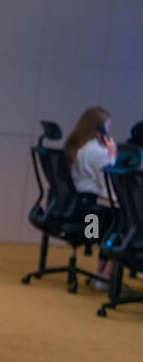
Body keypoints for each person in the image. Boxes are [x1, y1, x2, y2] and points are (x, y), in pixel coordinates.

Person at [64, 106, 117, 288]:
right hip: (90, 219)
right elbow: (107, 182)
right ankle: (105, 277)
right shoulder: (96, 151)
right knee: (119, 225)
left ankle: (100, 275)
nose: (109, 132)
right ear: (99, 129)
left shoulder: (78, 146)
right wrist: (111, 154)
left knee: (114, 217)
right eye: (107, 128)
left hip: (79, 209)